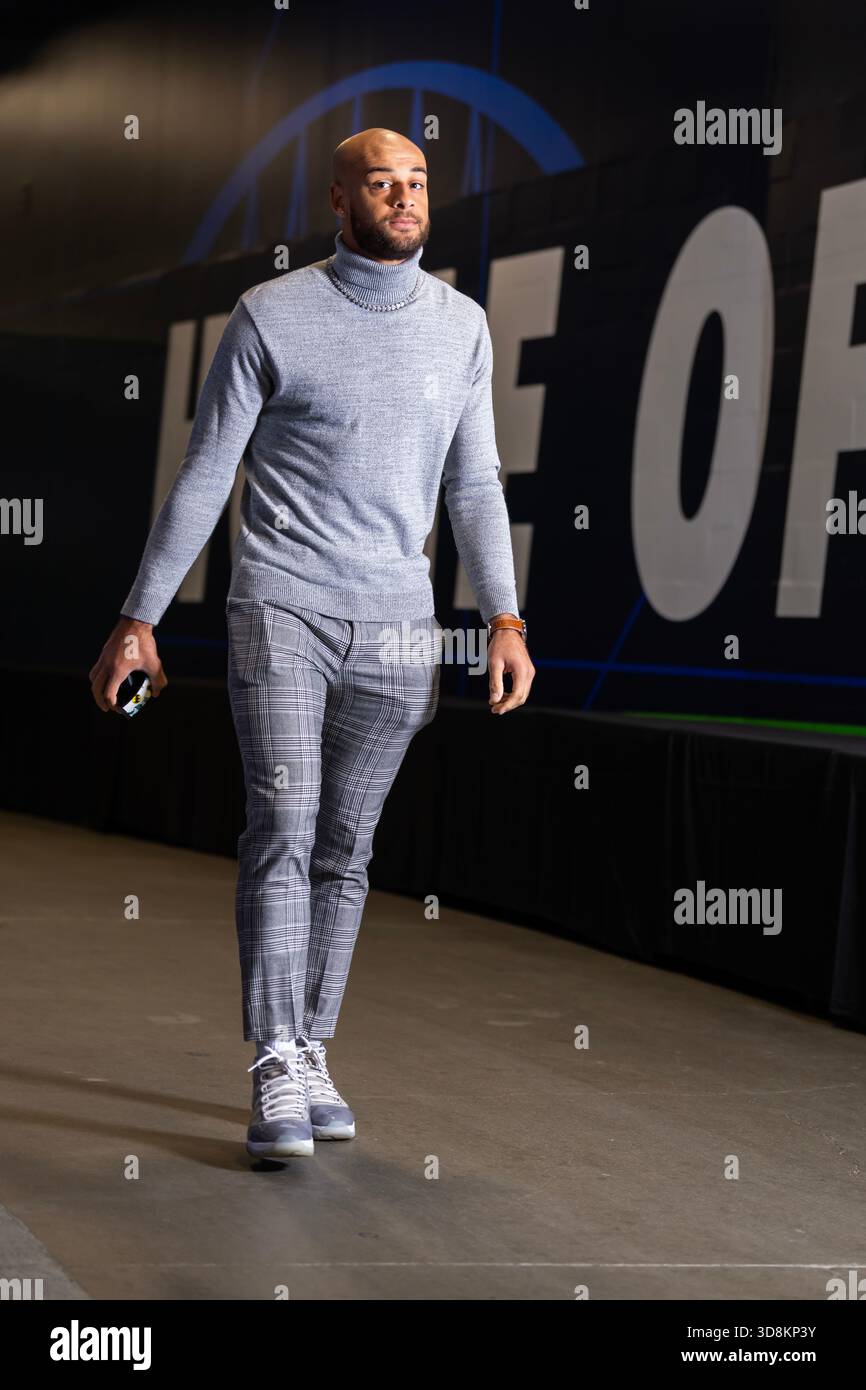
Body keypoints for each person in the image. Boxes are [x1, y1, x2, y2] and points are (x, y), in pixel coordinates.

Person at [89, 128, 535, 1160]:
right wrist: (140, 615)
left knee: (346, 847)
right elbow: (206, 472)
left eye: (417, 181)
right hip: (279, 607)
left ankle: (313, 1044)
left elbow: (473, 484)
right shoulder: (271, 315)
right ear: (338, 201)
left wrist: (502, 619)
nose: (403, 196)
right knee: (284, 826)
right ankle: (273, 1058)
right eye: (380, 181)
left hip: (399, 630)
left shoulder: (461, 327)